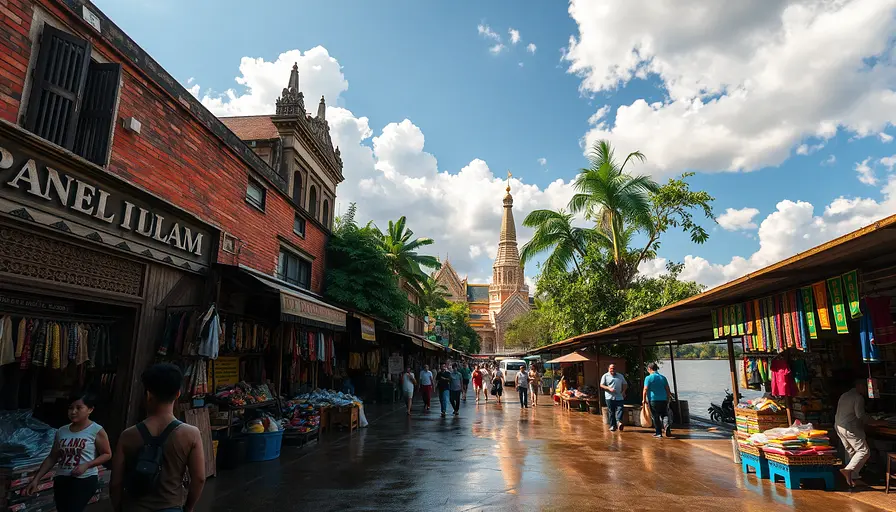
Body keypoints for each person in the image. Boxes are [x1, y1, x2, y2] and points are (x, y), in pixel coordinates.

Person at [111, 363, 206, 512]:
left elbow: (115, 482)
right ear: (178, 394)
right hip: (171, 507)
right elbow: (199, 478)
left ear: (148, 394)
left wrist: (118, 507)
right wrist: (188, 508)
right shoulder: (191, 434)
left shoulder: (128, 435)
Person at [25, 393, 112, 512]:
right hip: (62, 479)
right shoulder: (62, 431)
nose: (73, 411)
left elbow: (107, 454)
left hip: (84, 480)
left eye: (79, 408)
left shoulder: (96, 430)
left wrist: (87, 465)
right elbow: (52, 457)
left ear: (90, 410)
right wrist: (36, 480)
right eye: (70, 408)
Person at [835, 378, 872, 487]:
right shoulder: (858, 397)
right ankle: (848, 470)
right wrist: (876, 421)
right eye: (866, 387)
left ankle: (852, 479)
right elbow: (861, 416)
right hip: (849, 427)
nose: (867, 390)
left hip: (839, 426)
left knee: (851, 451)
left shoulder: (844, 395)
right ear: (860, 386)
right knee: (864, 451)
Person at [642, 363, 672, 438]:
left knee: (655, 416)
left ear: (649, 369)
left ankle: (658, 433)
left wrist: (643, 399)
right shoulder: (663, 378)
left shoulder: (648, 378)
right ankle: (666, 426)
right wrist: (668, 399)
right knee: (664, 414)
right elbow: (668, 390)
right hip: (663, 399)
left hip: (653, 400)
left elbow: (645, 389)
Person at [600, 364, 628, 432]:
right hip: (609, 397)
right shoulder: (605, 376)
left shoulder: (620, 376)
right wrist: (608, 388)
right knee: (611, 411)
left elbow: (625, 384)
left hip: (619, 396)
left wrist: (624, 391)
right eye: (611, 368)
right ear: (608, 368)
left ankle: (619, 422)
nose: (613, 370)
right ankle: (612, 426)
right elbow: (601, 385)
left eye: (614, 368)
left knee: (620, 409)